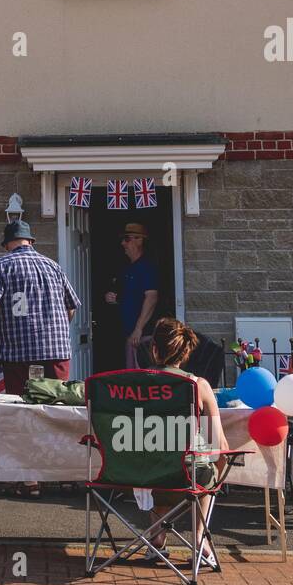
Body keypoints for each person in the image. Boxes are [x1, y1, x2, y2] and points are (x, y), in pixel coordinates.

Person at [0, 219, 81, 498]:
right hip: (56, 352)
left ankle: (30, 479)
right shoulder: (53, 266)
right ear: (31, 242)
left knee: (24, 413)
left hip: (19, 352)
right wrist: (52, 328)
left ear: (7, 244)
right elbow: (71, 308)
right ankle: (65, 474)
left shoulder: (0, 266)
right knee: (59, 410)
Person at [142, 318, 227, 566]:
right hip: (188, 475)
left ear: (154, 350)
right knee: (211, 462)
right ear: (186, 352)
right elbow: (218, 443)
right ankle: (200, 538)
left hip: (136, 474)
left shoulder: (134, 383)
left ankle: (157, 533)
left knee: (154, 457)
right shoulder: (198, 385)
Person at [104, 222, 159, 369]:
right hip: (131, 335)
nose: (123, 243)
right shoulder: (127, 268)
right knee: (132, 376)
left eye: (127, 239)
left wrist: (138, 329)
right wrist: (114, 299)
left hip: (143, 336)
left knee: (143, 378)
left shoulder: (147, 267)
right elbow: (130, 298)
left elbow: (152, 297)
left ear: (139, 240)